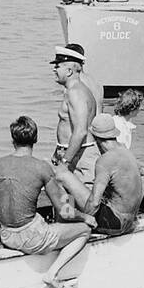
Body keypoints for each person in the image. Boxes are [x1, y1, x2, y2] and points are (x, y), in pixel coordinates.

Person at [0, 115, 95, 288]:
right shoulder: (42, 167)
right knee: (84, 230)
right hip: (32, 239)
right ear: (36, 139)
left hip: (7, 235)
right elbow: (65, 211)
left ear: (12, 139)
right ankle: (52, 274)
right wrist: (85, 217)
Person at [51, 113, 144, 245]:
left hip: (115, 224)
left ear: (96, 138)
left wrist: (86, 220)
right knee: (79, 184)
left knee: (62, 175)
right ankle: (69, 217)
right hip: (130, 220)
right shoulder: (125, 150)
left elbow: (94, 202)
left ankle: (66, 223)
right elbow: (143, 176)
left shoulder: (105, 160)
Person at [51, 43, 100, 189]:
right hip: (72, 152)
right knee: (67, 205)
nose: (54, 69)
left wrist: (65, 162)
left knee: (82, 202)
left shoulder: (75, 92)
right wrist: (59, 150)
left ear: (69, 71)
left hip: (80, 156)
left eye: (58, 66)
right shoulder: (74, 90)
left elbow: (80, 131)